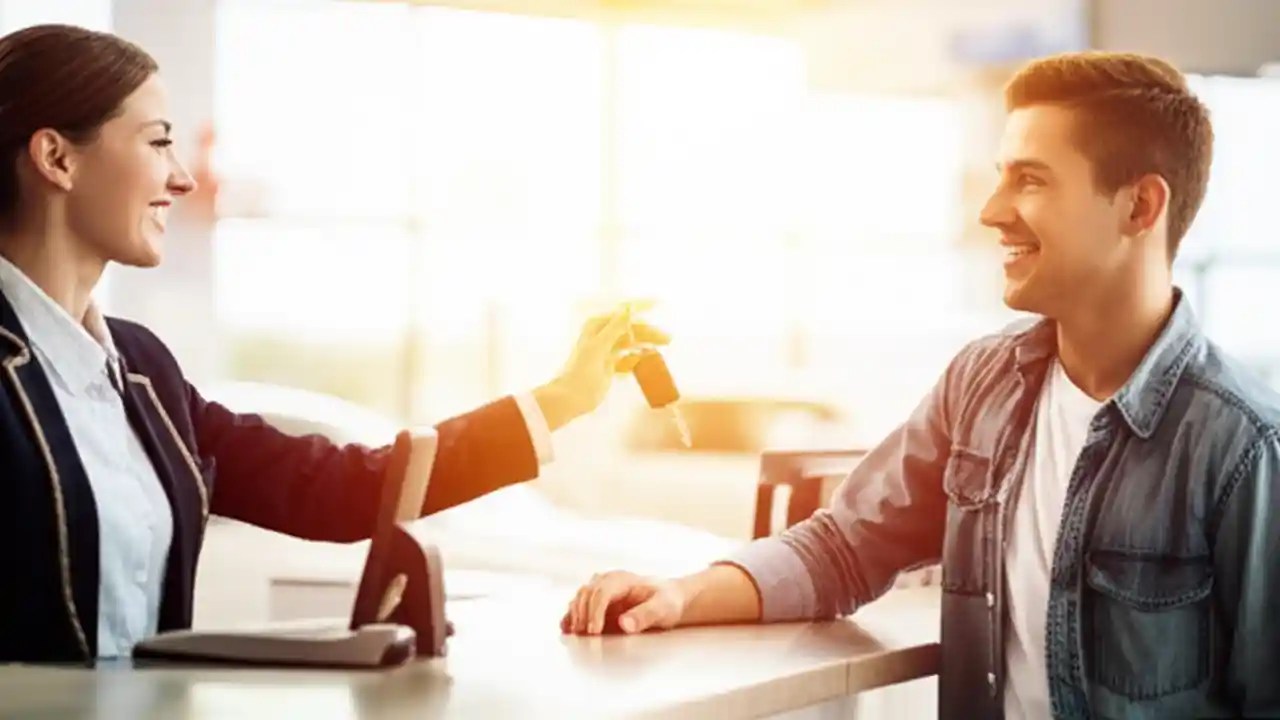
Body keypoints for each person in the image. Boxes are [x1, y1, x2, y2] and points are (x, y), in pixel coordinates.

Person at [564, 51, 1280, 719]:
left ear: (1139, 208)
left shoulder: (1243, 446)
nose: (993, 211)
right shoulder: (983, 384)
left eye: (1029, 179)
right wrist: (680, 594)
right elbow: (844, 548)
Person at [0, 24, 667, 664]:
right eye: (157, 143)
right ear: (57, 157)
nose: (182, 178)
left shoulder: (141, 370)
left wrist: (560, 400)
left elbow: (341, 488)